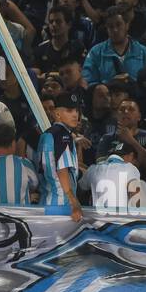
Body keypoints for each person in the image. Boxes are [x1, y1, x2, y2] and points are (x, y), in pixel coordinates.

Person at [37, 90, 85, 221]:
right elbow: (62, 170)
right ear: (57, 114)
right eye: (69, 111)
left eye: (76, 110)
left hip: (46, 202)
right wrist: (73, 202)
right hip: (61, 204)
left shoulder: (47, 134)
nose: (75, 115)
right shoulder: (63, 135)